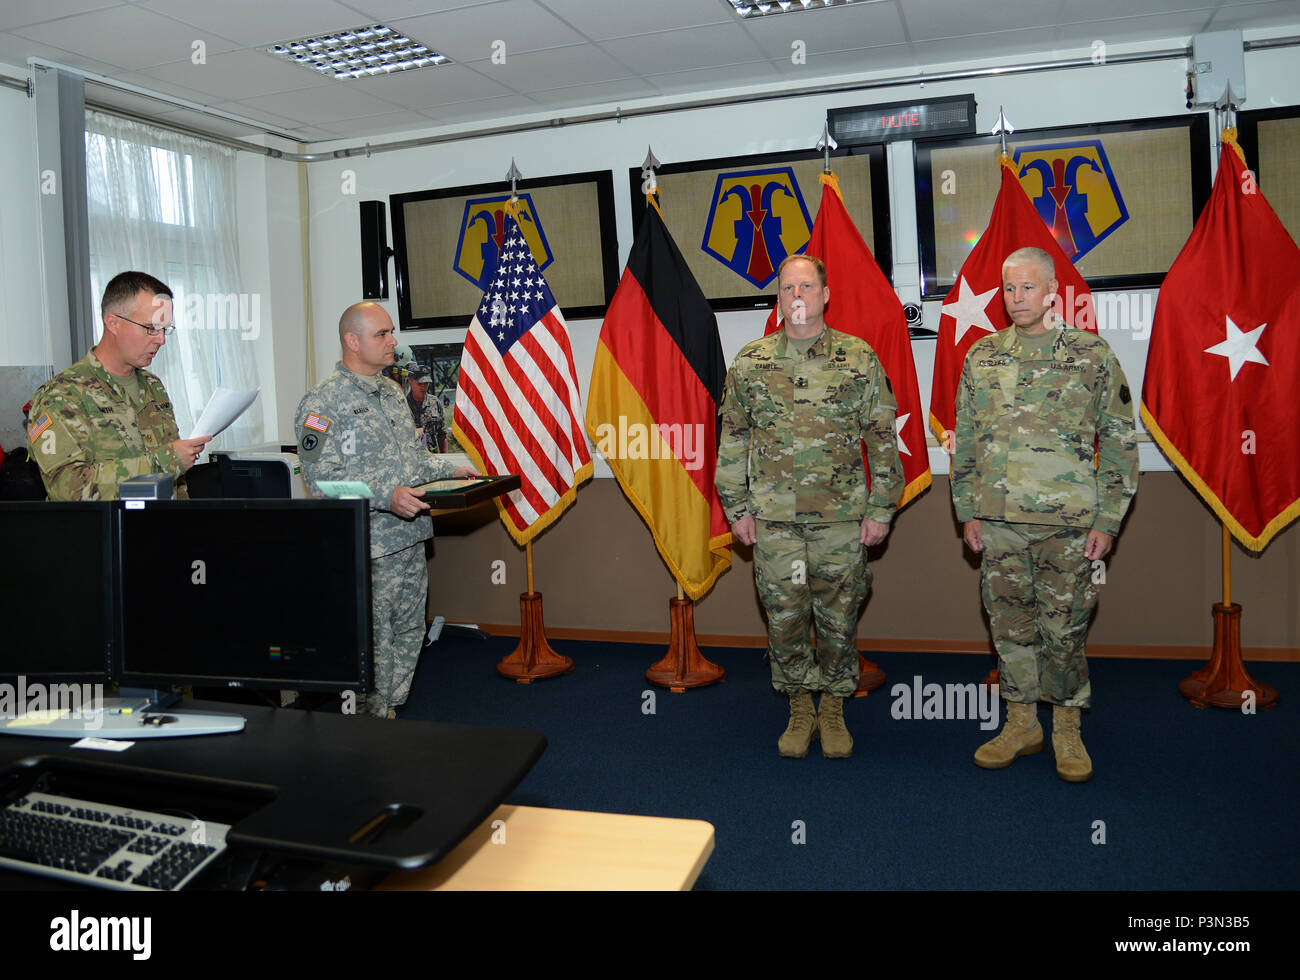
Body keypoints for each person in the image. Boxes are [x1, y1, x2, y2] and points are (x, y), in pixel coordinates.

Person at [952, 246, 1138, 782]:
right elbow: (965, 440)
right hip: (999, 521)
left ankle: (1066, 728)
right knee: (1009, 630)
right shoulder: (982, 356)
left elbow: (1121, 440)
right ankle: (1020, 723)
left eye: (1028, 287)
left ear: (1053, 290)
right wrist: (967, 510)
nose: (1017, 298)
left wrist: (1108, 520)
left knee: (1064, 631)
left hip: (1068, 523)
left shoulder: (1091, 354)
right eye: (1010, 288)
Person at [716, 255, 903, 759]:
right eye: (786, 288)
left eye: (805, 286)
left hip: (842, 518)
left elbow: (882, 439)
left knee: (840, 617)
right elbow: (733, 440)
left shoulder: (858, 357)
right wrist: (737, 508)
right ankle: (800, 703)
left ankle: (835, 705)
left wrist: (881, 508)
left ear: (825, 294)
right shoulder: (751, 363)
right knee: (784, 617)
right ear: (778, 299)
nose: (796, 296)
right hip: (774, 519)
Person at [295, 302, 475, 719]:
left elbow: (414, 461)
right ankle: (367, 729)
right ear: (352, 341)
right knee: (374, 644)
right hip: (367, 548)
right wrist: (385, 496)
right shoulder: (321, 404)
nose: (394, 341)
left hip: (411, 539)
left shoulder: (393, 392)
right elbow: (321, 481)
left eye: (392, 332)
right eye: (382, 334)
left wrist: (452, 469)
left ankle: (389, 715)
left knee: (410, 633)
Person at [28, 271, 210, 501]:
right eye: (150, 328)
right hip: (103, 534)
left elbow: (177, 484)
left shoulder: (153, 386)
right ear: (113, 323)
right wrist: (167, 461)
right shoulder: (62, 395)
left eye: (165, 329)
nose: (161, 340)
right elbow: (68, 488)